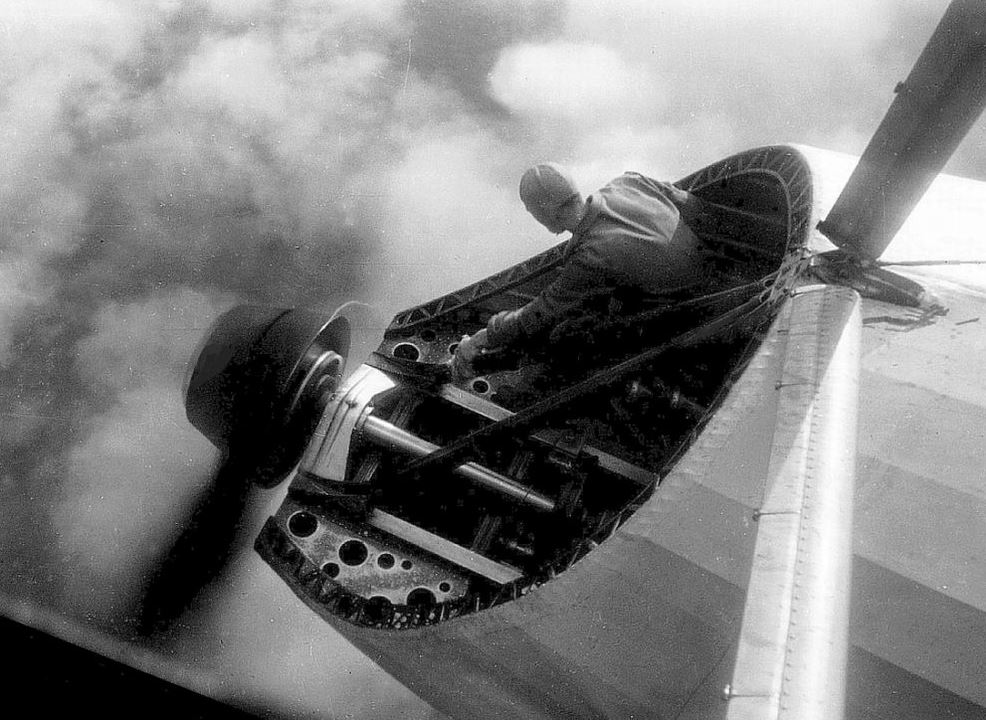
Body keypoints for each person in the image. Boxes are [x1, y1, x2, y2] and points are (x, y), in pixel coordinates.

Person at [451, 162, 709, 380]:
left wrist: (483, 337)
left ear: (544, 214)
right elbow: (696, 208)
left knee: (563, 334)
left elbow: (541, 313)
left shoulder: (590, 257)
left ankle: (476, 368)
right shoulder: (630, 182)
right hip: (710, 274)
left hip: (685, 314)